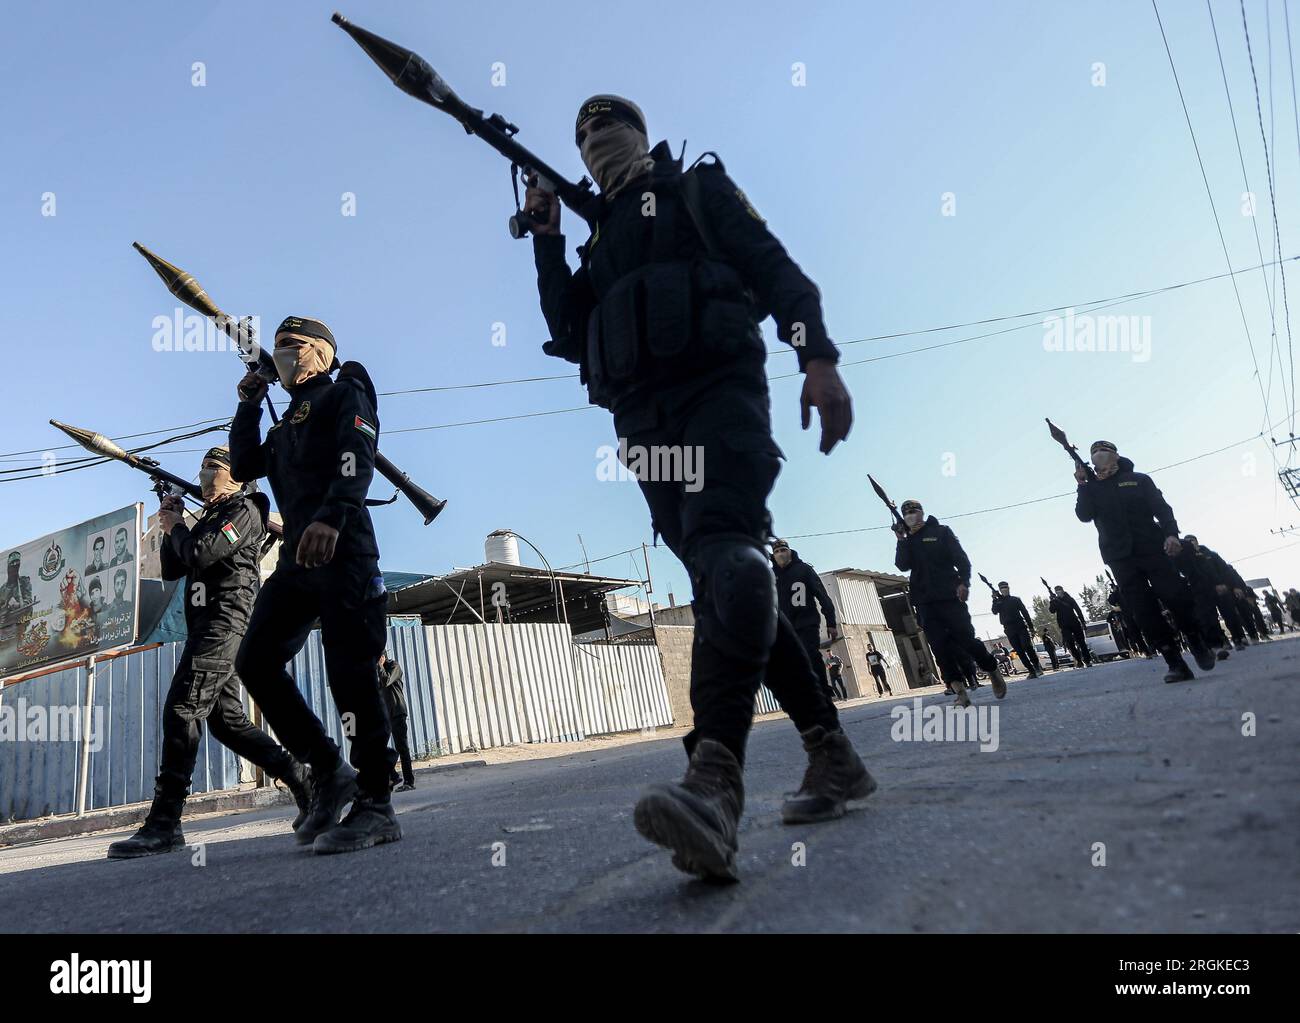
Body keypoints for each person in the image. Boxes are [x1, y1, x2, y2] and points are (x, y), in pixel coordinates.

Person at [523, 95, 872, 881]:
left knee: (733, 558)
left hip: (721, 396)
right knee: (721, 578)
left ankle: (714, 784)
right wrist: (547, 242)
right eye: (581, 135)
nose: (593, 139)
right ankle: (833, 752)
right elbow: (568, 330)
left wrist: (817, 354)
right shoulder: (601, 238)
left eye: (607, 125)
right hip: (645, 429)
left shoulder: (696, 191)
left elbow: (773, 266)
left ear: (641, 135)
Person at [230, 315, 400, 855]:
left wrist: (334, 514)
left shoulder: (344, 391)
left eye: (293, 346)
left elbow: (358, 455)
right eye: (276, 347)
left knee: (350, 670)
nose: (282, 354)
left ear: (323, 352)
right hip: (299, 560)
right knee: (254, 659)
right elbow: (242, 464)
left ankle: (377, 803)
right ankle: (329, 769)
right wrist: (249, 405)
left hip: (343, 546)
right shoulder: (283, 428)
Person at [108, 447, 312, 859]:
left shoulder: (245, 510)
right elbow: (175, 566)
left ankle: (165, 823)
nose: (204, 474)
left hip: (227, 621)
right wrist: (171, 524)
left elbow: (201, 552)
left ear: (236, 477)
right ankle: (300, 776)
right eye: (202, 467)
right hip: (205, 623)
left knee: (183, 708)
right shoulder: (214, 515)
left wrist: (180, 526)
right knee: (226, 722)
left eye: (213, 468)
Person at [1074, 441, 1215, 682]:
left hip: (1153, 549)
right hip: (1120, 557)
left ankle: (1195, 639)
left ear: (1116, 455)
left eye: (1104, 450)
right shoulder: (1092, 489)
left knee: (1176, 597)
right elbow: (1084, 515)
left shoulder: (1138, 479)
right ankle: (1175, 662)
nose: (1099, 455)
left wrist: (1171, 533)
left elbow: (1161, 508)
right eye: (1094, 452)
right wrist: (1082, 486)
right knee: (1143, 610)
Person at [893, 499, 1006, 707]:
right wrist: (901, 540)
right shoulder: (908, 539)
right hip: (925, 601)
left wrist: (964, 582)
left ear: (922, 512)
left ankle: (992, 670)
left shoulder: (941, 531)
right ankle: (959, 691)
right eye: (906, 512)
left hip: (949, 595)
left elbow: (961, 559)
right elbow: (902, 565)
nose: (910, 514)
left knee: (966, 640)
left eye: (914, 510)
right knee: (939, 647)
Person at [771, 539, 840, 704]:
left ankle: (823, 691)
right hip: (785, 627)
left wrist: (831, 622)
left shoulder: (803, 570)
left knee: (810, 654)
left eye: (783, 550)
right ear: (773, 555)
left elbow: (822, 595)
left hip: (807, 621)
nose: (780, 554)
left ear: (790, 551)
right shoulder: (772, 576)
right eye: (777, 552)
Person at [1176, 535, 1247, 655]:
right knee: (1209, 617)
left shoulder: (1210, 554)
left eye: (1192, 541)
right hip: (1203, 591)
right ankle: (1220, 642)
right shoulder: (1186, 558)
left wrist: (1234, 586)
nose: (1190, 544)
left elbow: (1225, 570)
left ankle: (1238, 638)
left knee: (1229, 614)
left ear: (1197, 542)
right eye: (1187, 542)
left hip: (1221, 588)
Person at [378, 651, 415, 791]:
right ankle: (393, 776)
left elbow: (386, 681)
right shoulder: (378, 670)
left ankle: (409, 782)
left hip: (397, 712)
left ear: (382, 657)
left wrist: (380, 666)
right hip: (386, 716)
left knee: (402, 747)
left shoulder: (394, 666)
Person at [991, 582, 1044, 678]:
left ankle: (1037, 667)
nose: (1004, 589)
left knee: (1027, 646)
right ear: (999, 590)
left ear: (1008, 588)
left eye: (1005, 587)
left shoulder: (1015, 599)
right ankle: (1031, 670)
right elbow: (994, 611)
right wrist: (994, 599)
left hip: (1020, 626)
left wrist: (1031, 627)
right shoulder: (999, 602)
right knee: (1019, 651)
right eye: (1002, 588)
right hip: (1009, 629)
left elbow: (1025, 613)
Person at [1048, 586, 1093, 667]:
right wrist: (1051, 600)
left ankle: (1087, 660)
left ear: (1062, 591)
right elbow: (1052, 611)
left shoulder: (1069, 599)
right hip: (1064, 626)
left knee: (1081, 642)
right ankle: (1079, 661)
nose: (1058, 592)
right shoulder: (1055, 601)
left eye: (1059, 591)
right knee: (1070, 643)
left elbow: (1078, 610)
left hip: (1074, 623)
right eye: (1056, 591)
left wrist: (1083, 622)